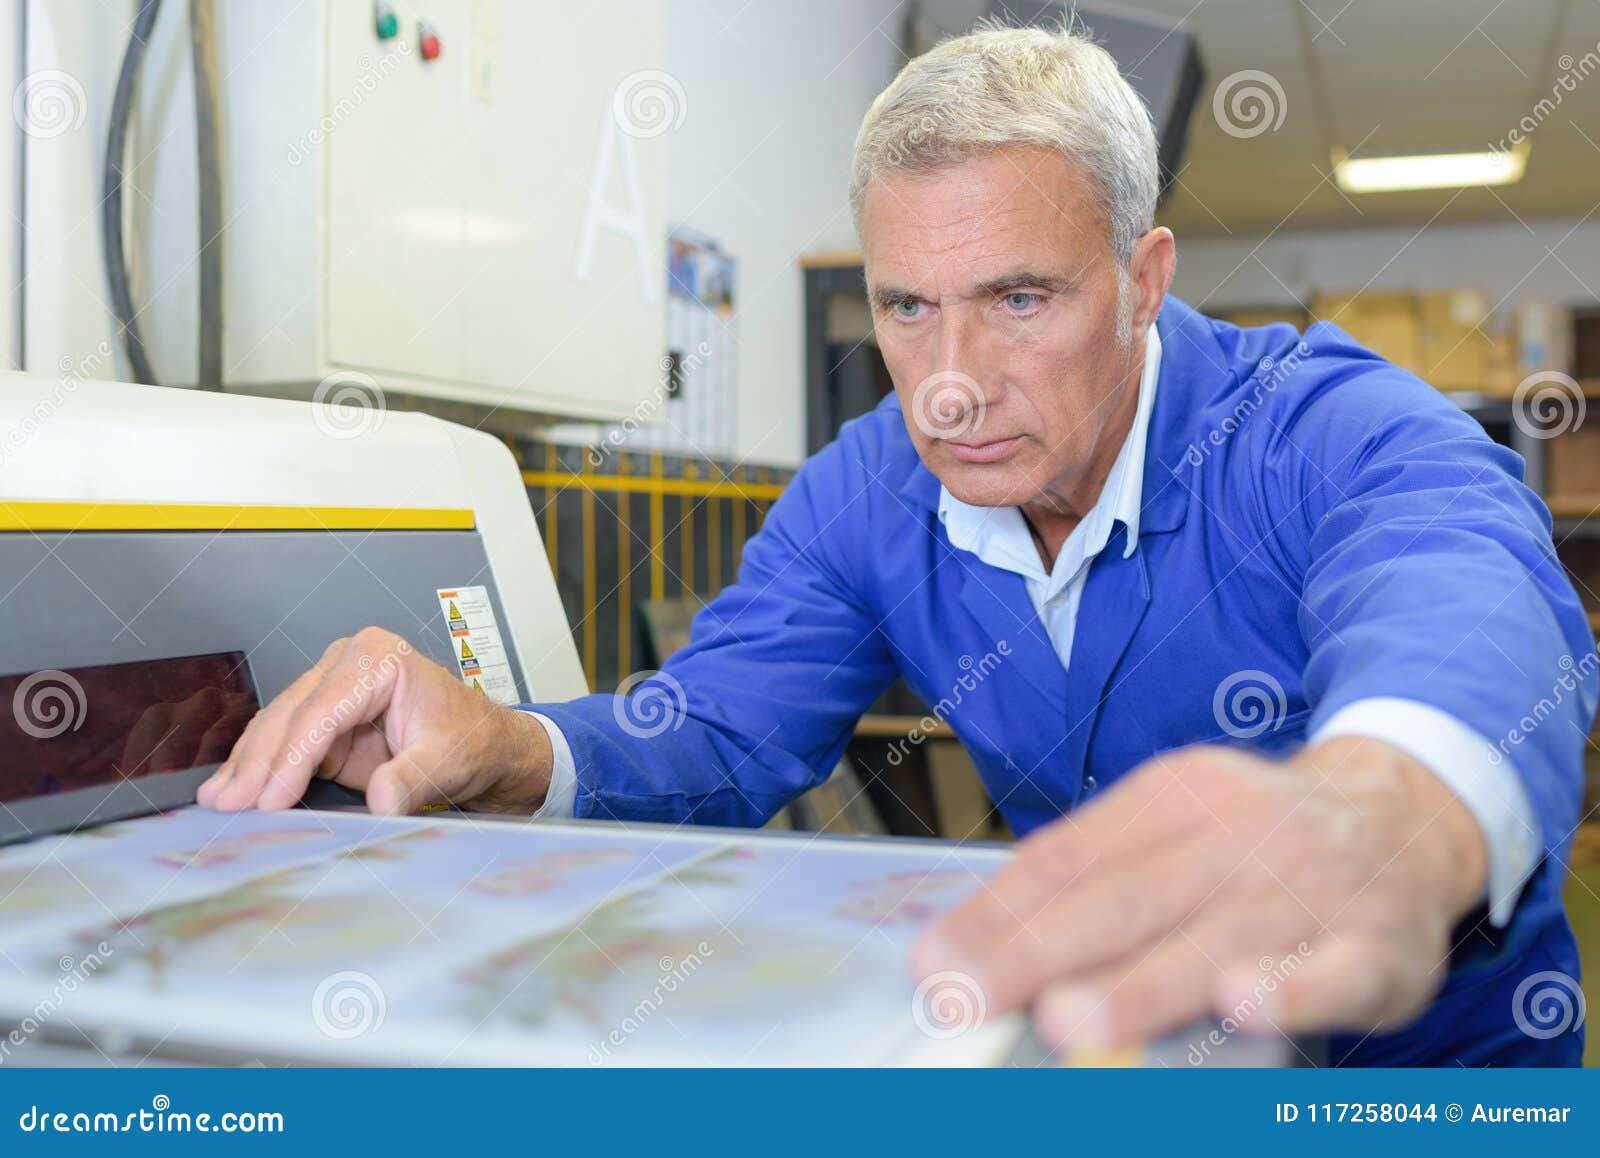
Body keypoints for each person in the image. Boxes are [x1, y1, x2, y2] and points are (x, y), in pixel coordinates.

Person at [199, 25, 1592, 1065]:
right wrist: (514, 745)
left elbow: (1464, 580)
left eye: (1021, 297)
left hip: (1436, 1061)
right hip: (1125, 1055)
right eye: (909, 307)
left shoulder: (1308, 425)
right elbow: (720, 728)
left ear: (1146, 279)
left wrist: (1388, 798)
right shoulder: (867, 489)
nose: (950, 379)